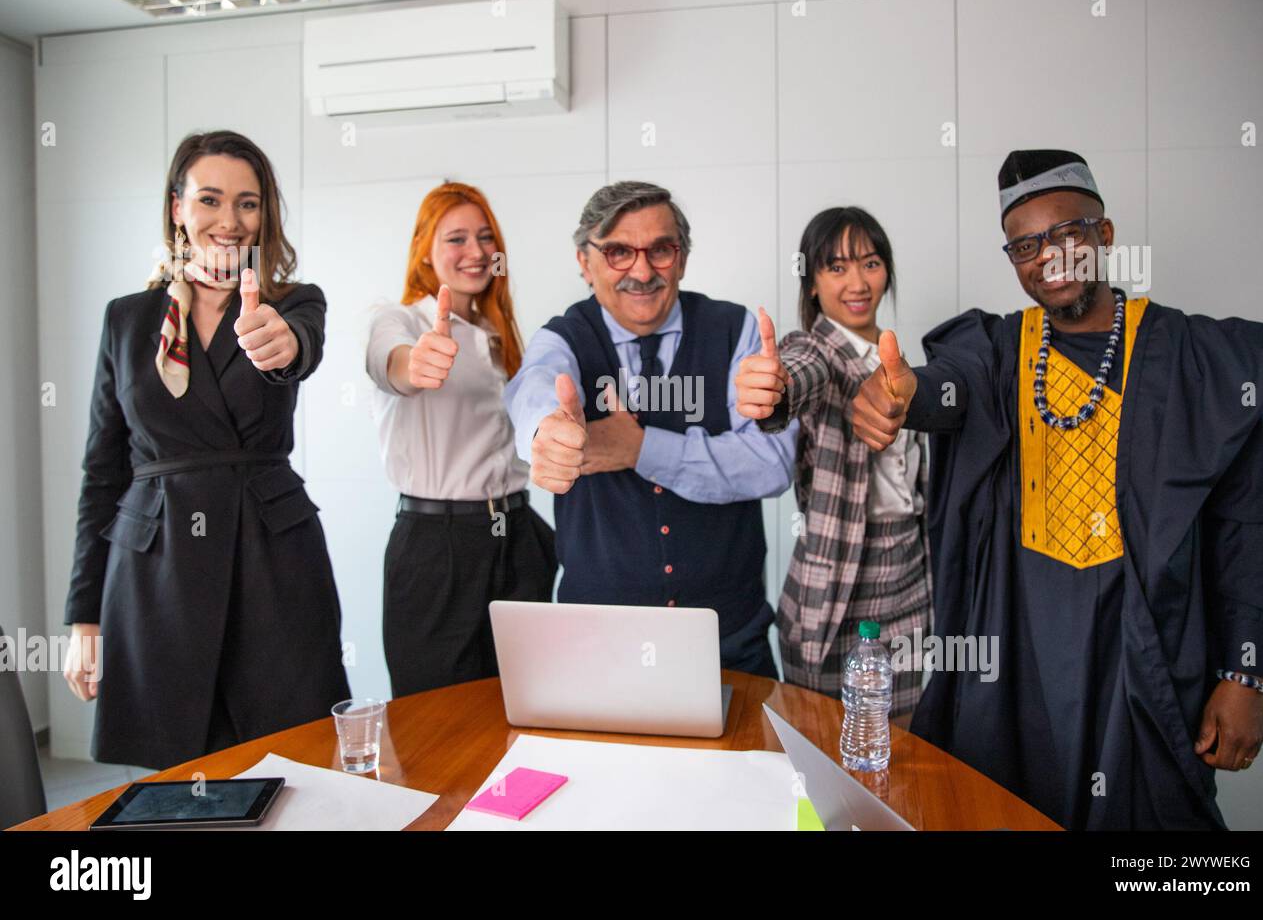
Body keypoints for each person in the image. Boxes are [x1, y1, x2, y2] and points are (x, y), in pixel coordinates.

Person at [851, 149, 1263, 829]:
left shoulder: (1195, 358)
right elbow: (948, 387)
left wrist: (1244, 674)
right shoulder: (998, 349)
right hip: (1015, 654)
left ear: (1105, 235)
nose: (1048, 256)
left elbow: (1248, 529)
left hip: (1143, 653)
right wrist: (904, 396)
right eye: (1026, 244)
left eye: (1066, 233)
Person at [62, 130, 350, 771]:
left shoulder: (293, 303)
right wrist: (83, 618)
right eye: (210, 200)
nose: (229, 220)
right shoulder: (128, 319)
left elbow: (295, 349)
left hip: (271, 558)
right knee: (174, 777)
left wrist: (279, 341)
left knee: (292, 765)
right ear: (177, 208)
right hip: (155, 566)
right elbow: (101, 471)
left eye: (248, 204)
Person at [505, 181, 798, 675]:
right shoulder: (564, 339)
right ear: (585, 261)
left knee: (751, 756)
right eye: (618, 252)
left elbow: (771, 464)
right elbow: (532, 386)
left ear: (681, 259)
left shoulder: (735, 329)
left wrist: (639, 447)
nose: (641, 272)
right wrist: (544, 434)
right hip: (598, 643)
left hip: (730, 639)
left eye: (660, 250)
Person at [737, 207, 931, 722]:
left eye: (869, 263)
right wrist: (773, 391)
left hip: (910, 574)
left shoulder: (896, 361)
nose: (858, 282)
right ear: (813, 284)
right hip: (835, 592)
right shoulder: (814, 350)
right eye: (837, 267)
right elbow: (799, 375)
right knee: (825, 747)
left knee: (907, 747)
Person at [366, 182, 556, 697]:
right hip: (438, 547)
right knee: (436, 721)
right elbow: (389, 363)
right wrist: (414, 364)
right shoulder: (400, 320)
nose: (475, 252)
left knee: (526, 705)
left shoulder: (501, 336)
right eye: (456, 239)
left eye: (485, 237)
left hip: (517, 536)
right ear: (425, 252)